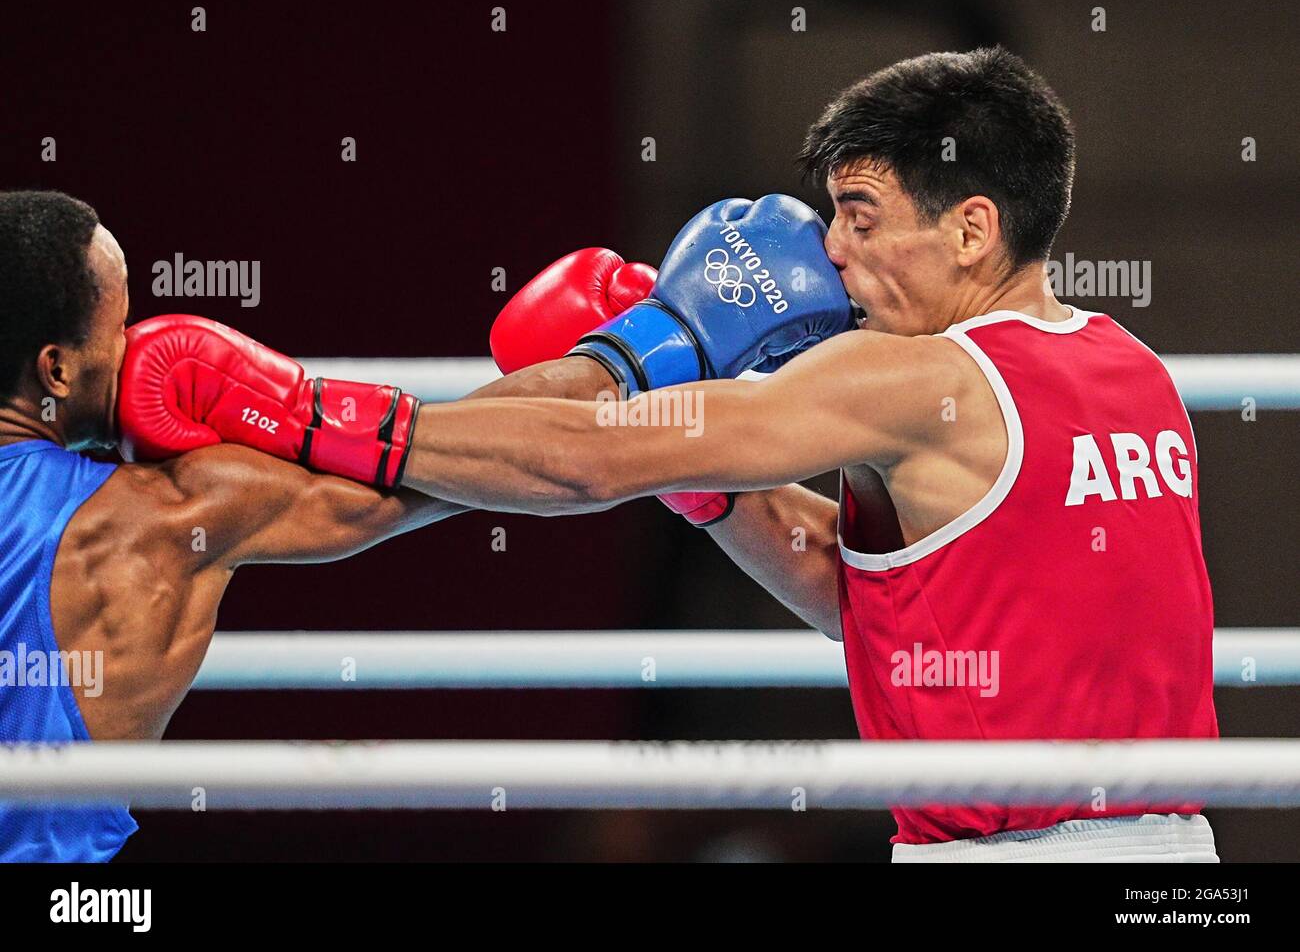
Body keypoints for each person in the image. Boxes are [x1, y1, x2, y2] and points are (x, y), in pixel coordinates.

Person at [378, 47, 1223, 861]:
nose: (833, 251)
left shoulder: (917, 373)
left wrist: (337, 420)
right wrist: (698, 482)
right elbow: (881, 598)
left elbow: (593, 458)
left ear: (971, 230)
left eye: (861, 219)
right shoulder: (1135, 370)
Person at [0, 191, 680, 860]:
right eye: (119, 330)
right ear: (56, 370)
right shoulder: (165, 515)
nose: (136, 349)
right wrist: (616, 365)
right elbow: (413, 477)